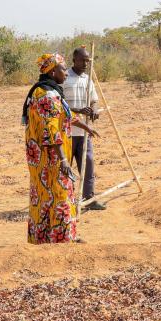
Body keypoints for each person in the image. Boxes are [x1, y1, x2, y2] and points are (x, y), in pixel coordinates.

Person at [21, 53, 96, 244]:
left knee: (45, 194)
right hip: (50, 156)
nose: (66, 73)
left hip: (43, 155)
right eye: (63, 69)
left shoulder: (48, 92)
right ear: (53, 71)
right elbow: (51, 129)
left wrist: (85, 126)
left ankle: (44, 238)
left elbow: (63, 115)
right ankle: (62, 238)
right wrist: (63, 160)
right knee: (61, 192)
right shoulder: (47, 95)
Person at [62, 47, 106, 210]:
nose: (86, 64)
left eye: (88, 61)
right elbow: (60, 104)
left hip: (84, 132)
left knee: (88, 164)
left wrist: (94, 109)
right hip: (67, 131)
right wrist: (78, 110)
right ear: (74, 60)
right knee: (66, 167)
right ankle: (66, 201)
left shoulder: (88, 79)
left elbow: (94, 99)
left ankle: (90, 198)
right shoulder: (65, 77)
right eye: (83, 60)